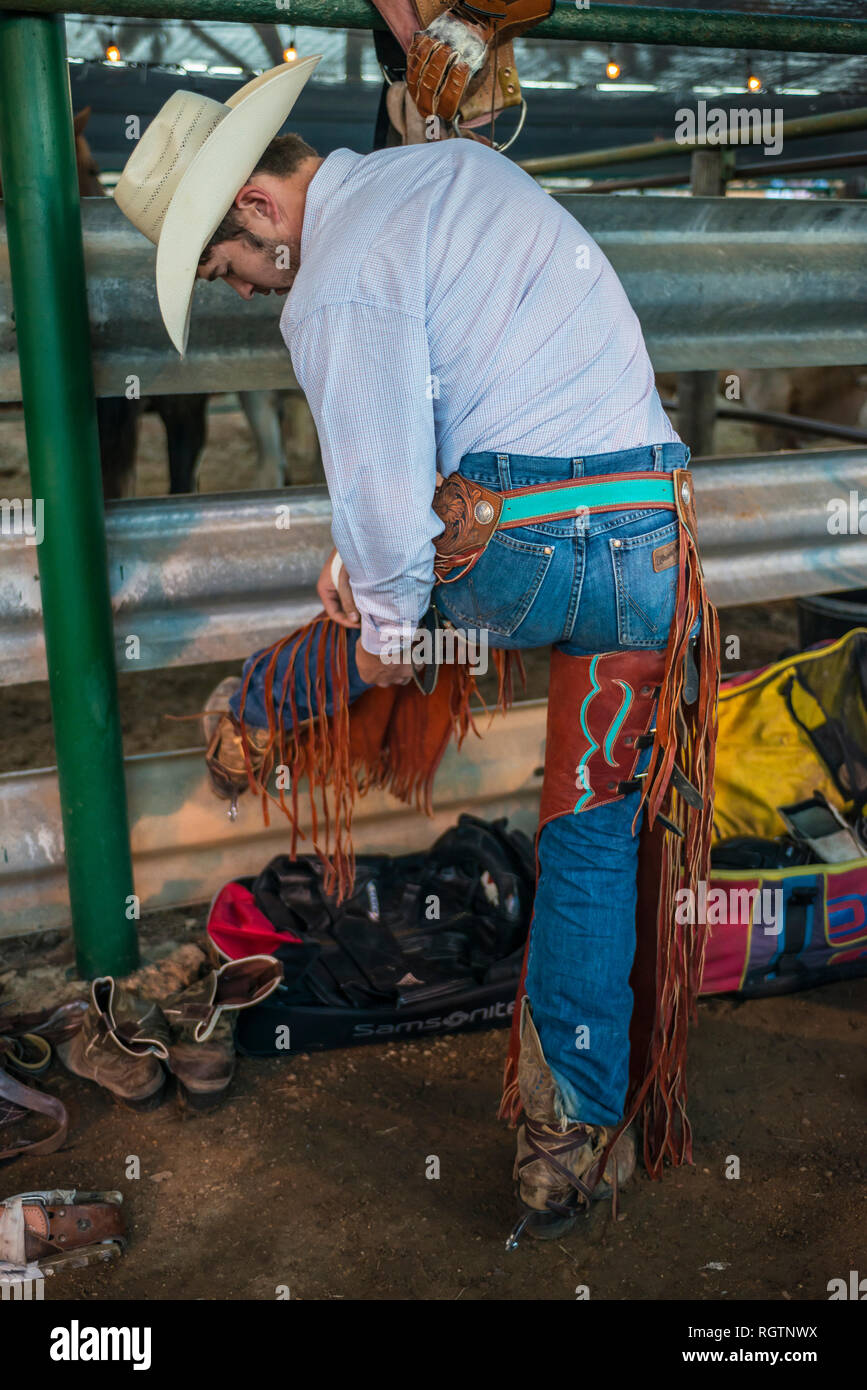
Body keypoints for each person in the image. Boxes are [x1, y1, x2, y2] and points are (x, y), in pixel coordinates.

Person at [114, 59, 718, 1242]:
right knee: (590, 838)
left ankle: (256, 705)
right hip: (652, 547)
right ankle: (570, 1149)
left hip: (524, 549)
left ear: (256, 206)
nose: (237, 288)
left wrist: (383, 631)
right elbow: (446, 424)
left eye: (224, 267)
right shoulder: (443, 174)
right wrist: (382, 568)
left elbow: (392, 516)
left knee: (384, 606)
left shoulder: (333, 281)